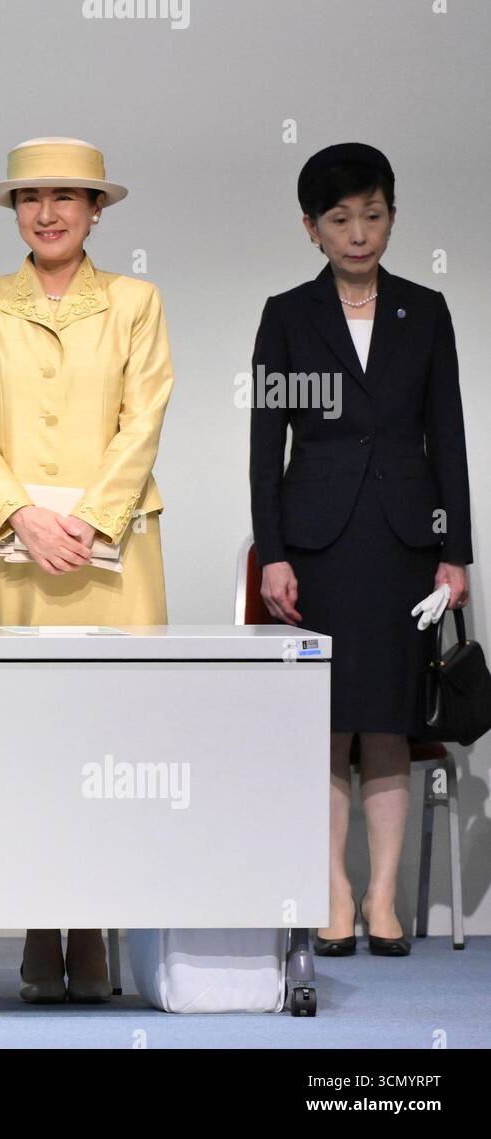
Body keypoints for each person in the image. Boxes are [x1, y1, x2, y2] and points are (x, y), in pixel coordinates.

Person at [0, 137, 174, 1002]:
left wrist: (84, 520)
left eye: (66, 198)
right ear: (14, 210)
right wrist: (26, 517)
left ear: (96, 210)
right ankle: (44, 921)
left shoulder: (136, 301)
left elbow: (143, 417)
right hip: (16, 548)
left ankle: (100, 923)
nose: (47, 213)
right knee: (34, 735)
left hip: (115, 550)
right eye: (31, 198)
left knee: (114, 738)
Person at [249, 142, 472, 957]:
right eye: (340, 219)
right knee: (326, 722)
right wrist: (272, 550)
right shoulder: (287, 315)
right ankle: (330, 891)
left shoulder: (428, 309)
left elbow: (446, 438)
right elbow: (265, 443)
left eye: (373, 215)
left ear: (392, 215)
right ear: (311, 228)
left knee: (387, 720)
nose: (359, 233)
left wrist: (456, 552)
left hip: (407, 543)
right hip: (316, 544)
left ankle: (381, 895)